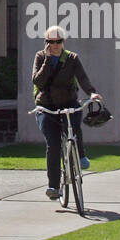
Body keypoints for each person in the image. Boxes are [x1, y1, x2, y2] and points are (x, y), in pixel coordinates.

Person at [32, 25, 104, 199]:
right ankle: (54, 187)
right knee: (53, 144)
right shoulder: (40, 57)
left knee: (74, 127)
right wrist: (48, 61)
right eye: (51, 42)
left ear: (63, 41)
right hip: (46, 106)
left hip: (68, 103)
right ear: (46, 42)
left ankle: (80, 156)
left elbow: (83, 78)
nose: (55, 45)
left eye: (58, 41)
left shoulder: (72, 58)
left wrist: (92, 93)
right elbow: (38, 81)